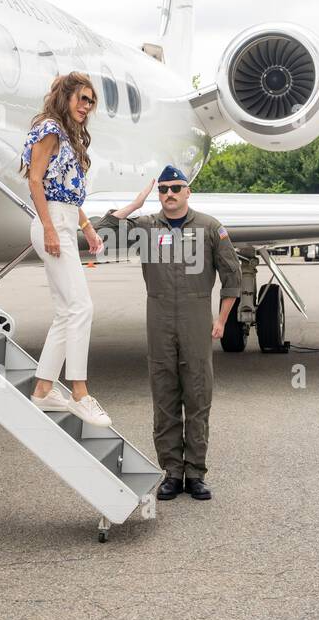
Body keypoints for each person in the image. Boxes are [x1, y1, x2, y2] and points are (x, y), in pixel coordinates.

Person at [93, 166, 242, 500]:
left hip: (196, 319)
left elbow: (232, 276)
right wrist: (135, 204)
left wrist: (221, 320)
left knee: (198, 398)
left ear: (188, 191)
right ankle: (172, 473)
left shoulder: (209, 228)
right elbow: (103, 230)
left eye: (176, 187)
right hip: (158, 319)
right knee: (164, 399)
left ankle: (196, 474)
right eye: (163, 190)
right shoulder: (146, 227)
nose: (170, 194)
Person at [19, 72, 110, 427]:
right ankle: (80, 393)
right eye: (82, 98)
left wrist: (87, 227)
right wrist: (49, 229)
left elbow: (67, 189)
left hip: (65, 219)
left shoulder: (67, 134)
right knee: (81, 307)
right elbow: (35, 180)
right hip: (52, 222)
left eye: (91, 101)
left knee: (65, 312)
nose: (86, 106)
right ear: (65, 96)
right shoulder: (50, 130)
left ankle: (43, 390)